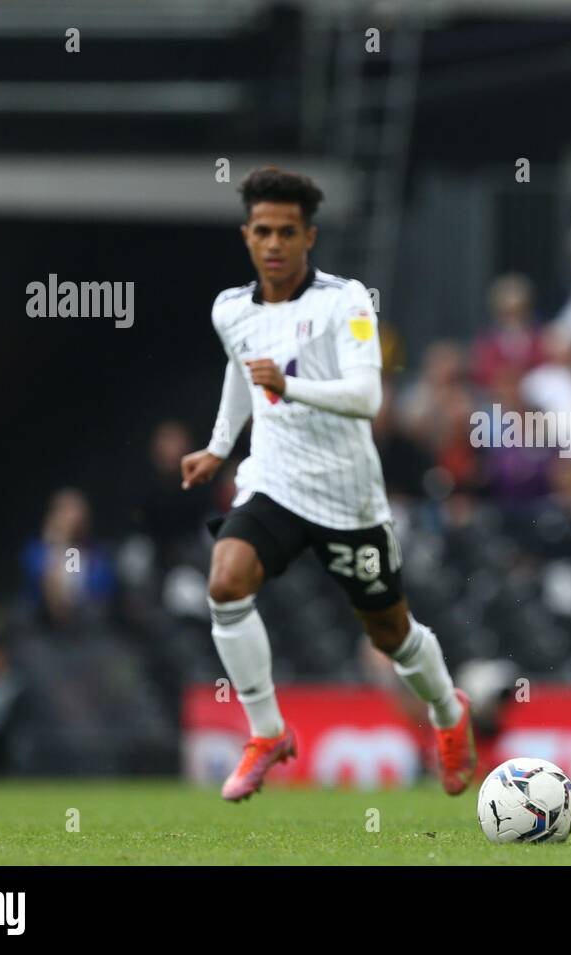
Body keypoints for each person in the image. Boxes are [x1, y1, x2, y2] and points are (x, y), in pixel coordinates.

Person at [180, 166, 475, 802]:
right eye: (263, 231)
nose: (275, 244)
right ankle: (267, 732)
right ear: (247, 236)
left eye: (288, 231)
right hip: (275, 483)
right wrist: (218, 447)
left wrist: (290, 387)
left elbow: (367, 396)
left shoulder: (347, 301)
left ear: (309, 236)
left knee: (389, 634)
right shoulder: (230, 308)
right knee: (225, 581)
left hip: (348, 496)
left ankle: (448, 714)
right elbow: (243, 372)